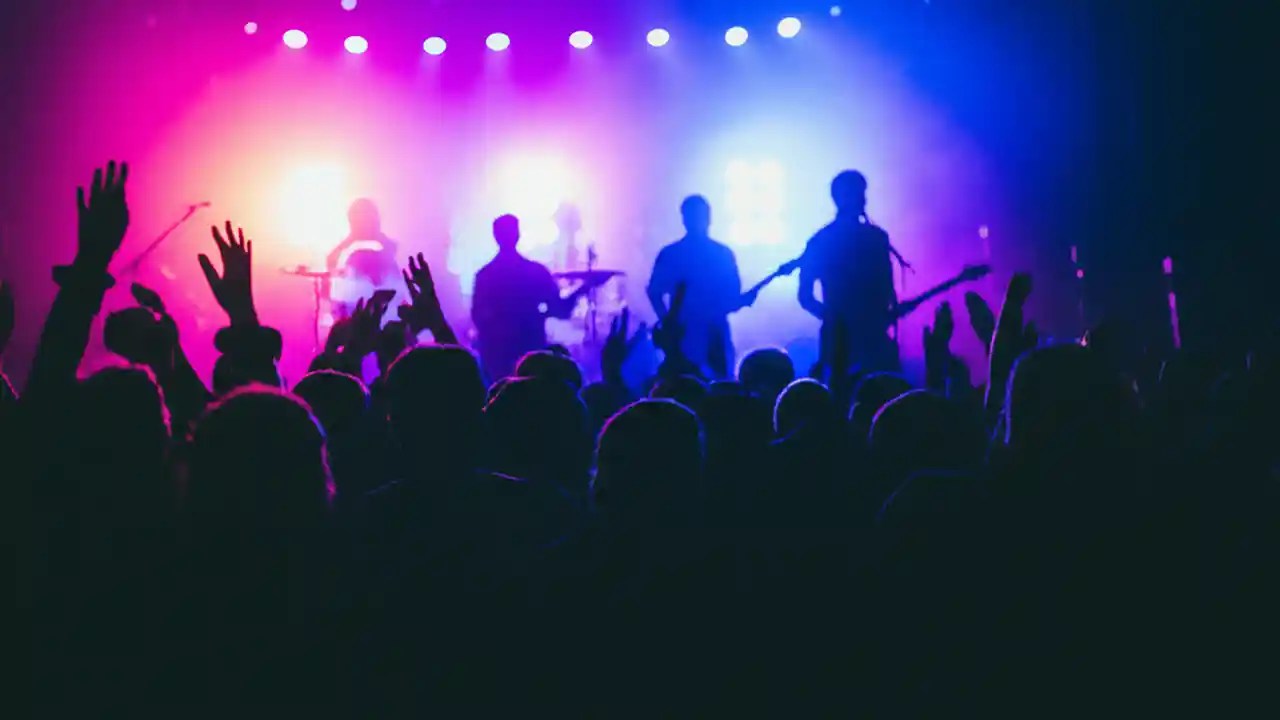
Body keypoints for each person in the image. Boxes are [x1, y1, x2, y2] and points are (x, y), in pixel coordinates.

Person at [798, 171, 899, 376]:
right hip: (842, 343)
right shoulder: (824, 240)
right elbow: (805, 296)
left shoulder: (875, 238)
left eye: (863, 192)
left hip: (864, 339)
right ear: (840, 197)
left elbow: (887, 288)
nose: (863, 198)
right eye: (857, 193)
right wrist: (835, 318)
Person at [647, 195, 757, 379]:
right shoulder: (721, 254)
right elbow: (654, 291)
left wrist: (667, 321)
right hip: (694, 334)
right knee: (717, 388)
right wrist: (668, 322)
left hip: (700, 333)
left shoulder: (673, 253)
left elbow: (654, 292)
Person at [471, 214, 591, 381]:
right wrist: (583, 288)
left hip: (496, 359)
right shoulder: (535, 272)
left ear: (495, 236)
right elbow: (560, 310)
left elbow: (478, 319)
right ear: (518, 235)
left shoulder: (485, 275)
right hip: (529, 355)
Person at [326, 199, 400, 320]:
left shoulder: (387, 248)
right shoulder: (351, 253)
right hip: (356, 313)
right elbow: (331, 264)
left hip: (385, 314)